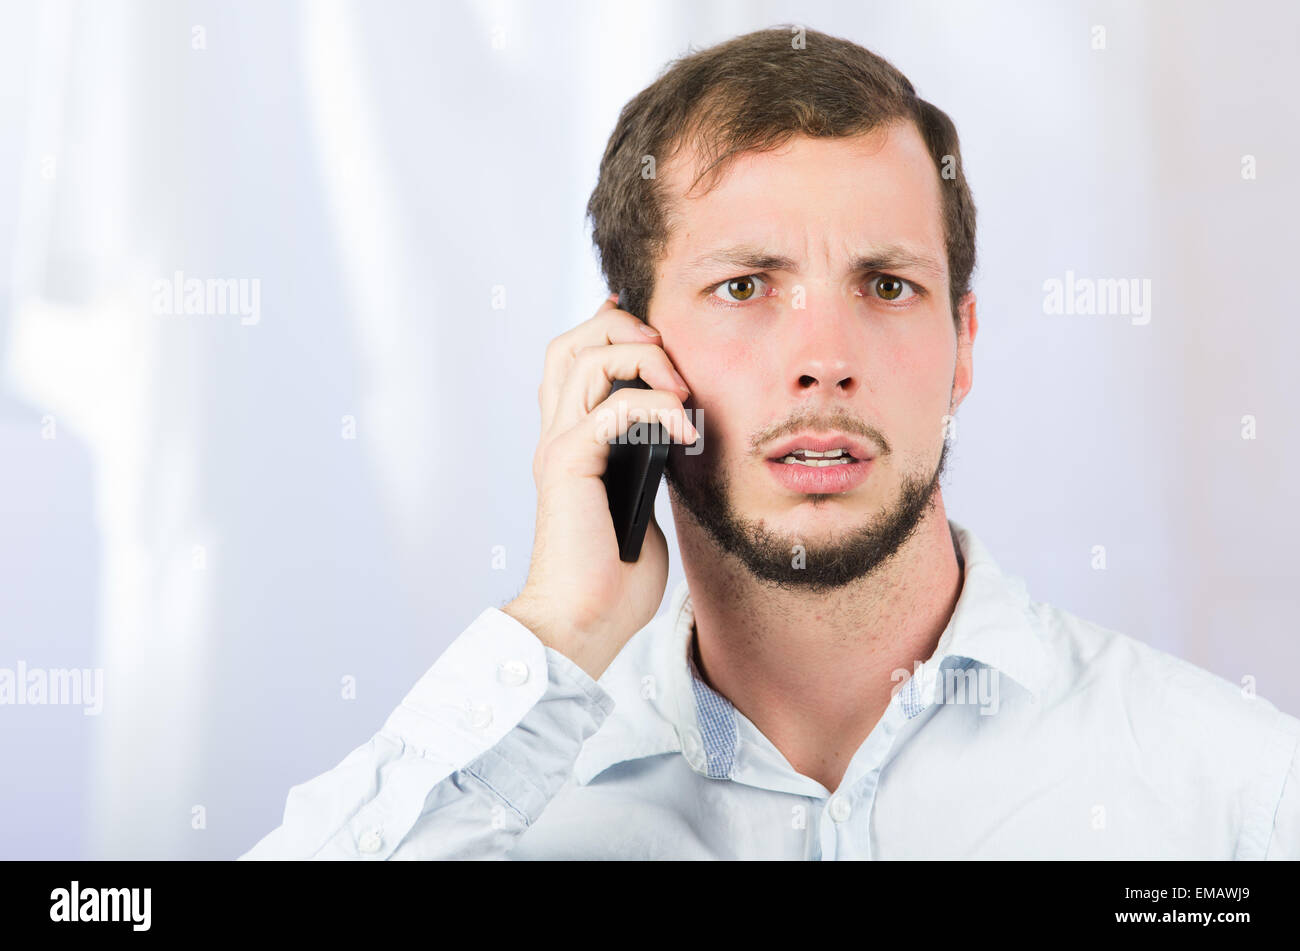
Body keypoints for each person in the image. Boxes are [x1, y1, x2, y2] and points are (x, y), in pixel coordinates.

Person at [241, 26, 1299, 860]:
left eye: (887, 287)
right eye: (745, 286)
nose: (824, 359)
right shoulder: (511, 797)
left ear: (960, 347)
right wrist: (557, 629)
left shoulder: (1233, 795)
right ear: (627, 353)